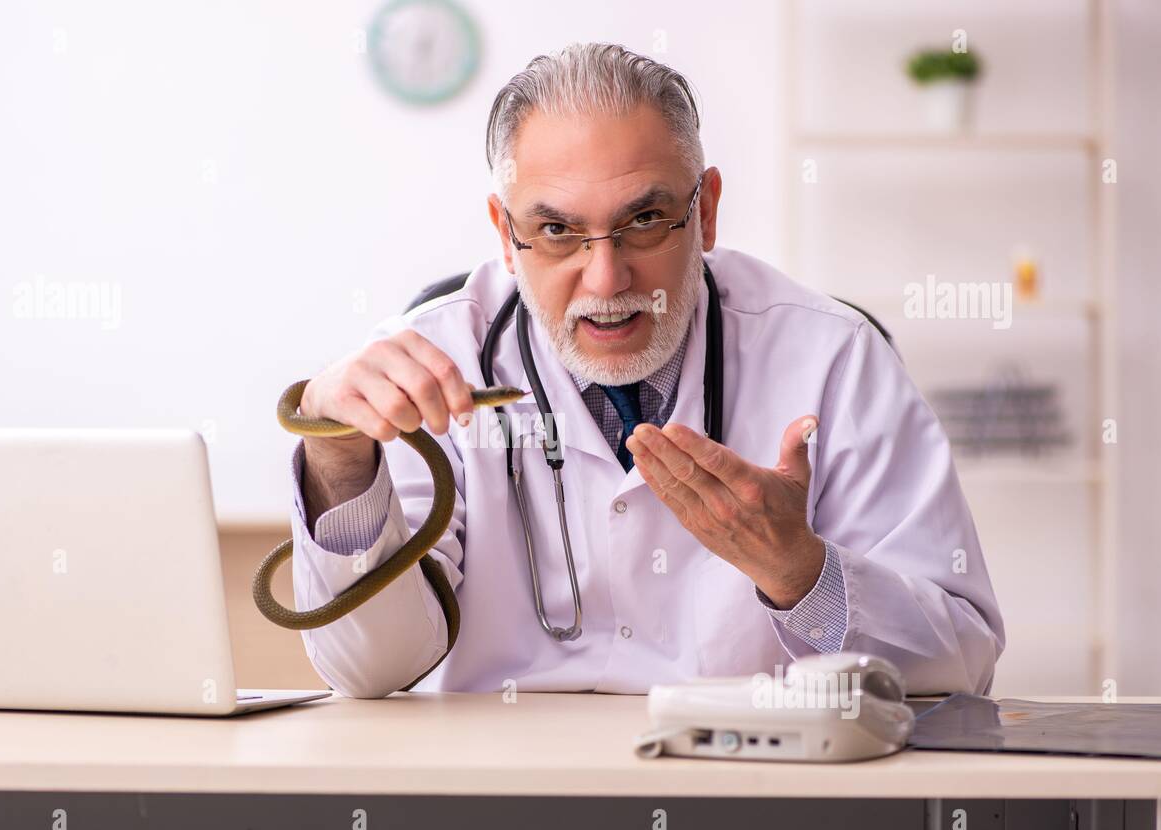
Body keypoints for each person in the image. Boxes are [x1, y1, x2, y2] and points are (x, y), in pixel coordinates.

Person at [287, 42, 1003, 699]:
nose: (606, 277)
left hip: (746, 790)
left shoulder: (834, 358)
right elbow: (369, 667)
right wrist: (338, 458)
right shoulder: (425, 364)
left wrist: (802, 574)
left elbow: (961, 660)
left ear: (707, 210)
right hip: (501, 796)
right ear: (507, 236)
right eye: (558, 230)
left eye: (645, 219)